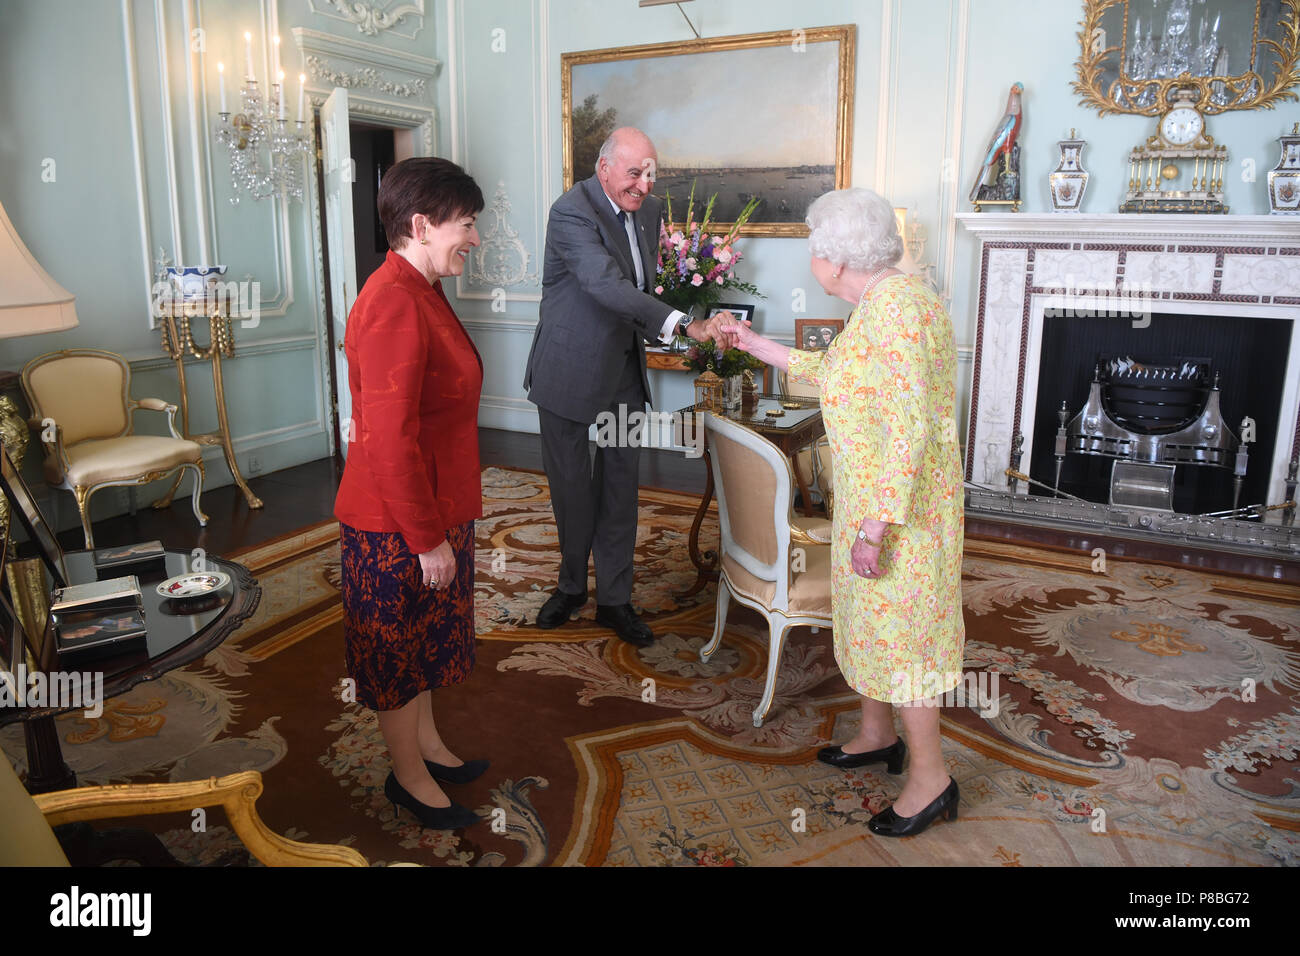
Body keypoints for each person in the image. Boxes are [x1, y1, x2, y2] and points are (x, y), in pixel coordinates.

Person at [719, 187, 965, 837]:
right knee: (874, 627)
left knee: (905, 639)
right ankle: (878, 734)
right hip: (873, 505)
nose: (809, 258)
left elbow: (912, 429)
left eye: (810, 246)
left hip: (904, 516)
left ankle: (930, 780)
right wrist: (752, 342)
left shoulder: (899, 311)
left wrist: (878, 526)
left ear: (833, 259)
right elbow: (834, 373)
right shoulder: (882, 302)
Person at [523, 127, 731, 647]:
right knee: (571, 489)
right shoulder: (570, 211)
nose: (644, 184)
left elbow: (640, 287)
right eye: (635, 172)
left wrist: (675, 328)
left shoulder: (648, 212)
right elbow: (604, 286)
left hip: (621, 371)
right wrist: (684, 325)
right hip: (568, 371)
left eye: (651, 173)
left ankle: (614, 600)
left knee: (619, 486)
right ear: (605, 168)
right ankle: (571, 586)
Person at [333, 157, 487, 831]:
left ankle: (428, 748)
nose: (474, 239)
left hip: (434, 504)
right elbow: (388, 439)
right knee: (395, 655)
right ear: (421, 225)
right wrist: (425, 539)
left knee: (424, 642)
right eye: (467, 224)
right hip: (395, 522)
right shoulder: (394, 299)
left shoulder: (420, 286)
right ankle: (408, 777)